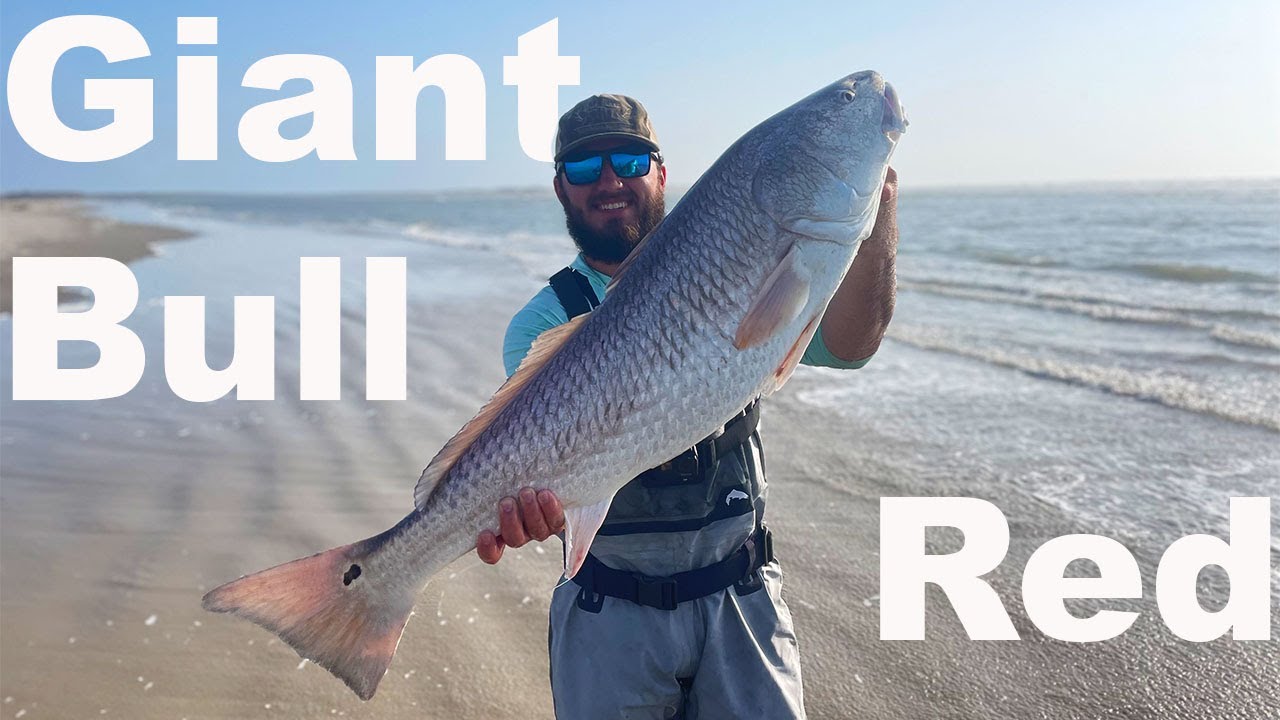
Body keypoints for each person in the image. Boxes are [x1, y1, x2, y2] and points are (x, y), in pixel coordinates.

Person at [476, 94, 899, 719]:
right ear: (562, 189)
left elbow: (852, 346)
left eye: (628, 158)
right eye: (586, 168)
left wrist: (875, 215)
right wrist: (533, 509)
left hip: (742, 599)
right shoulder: (542, 323)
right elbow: (549, 469)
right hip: (607, 614)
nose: (611, 180)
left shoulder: (745, 255)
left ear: (661, 171)